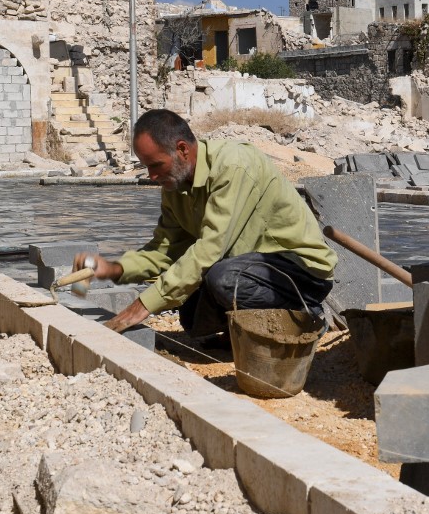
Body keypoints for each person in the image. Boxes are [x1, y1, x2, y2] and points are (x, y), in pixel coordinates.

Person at [73, 109, 337, 343]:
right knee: (193, 320)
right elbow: (164, 251)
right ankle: (247, 332)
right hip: (248, 268)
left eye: (156, 165)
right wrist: (114, 269)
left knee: (223, 280)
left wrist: (143, 305)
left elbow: (210, 249)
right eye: (146, 167)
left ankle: (305, 316)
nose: (152, 176)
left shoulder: (233, 165)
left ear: (182, 150)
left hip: (301, 272)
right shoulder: (175, 185)